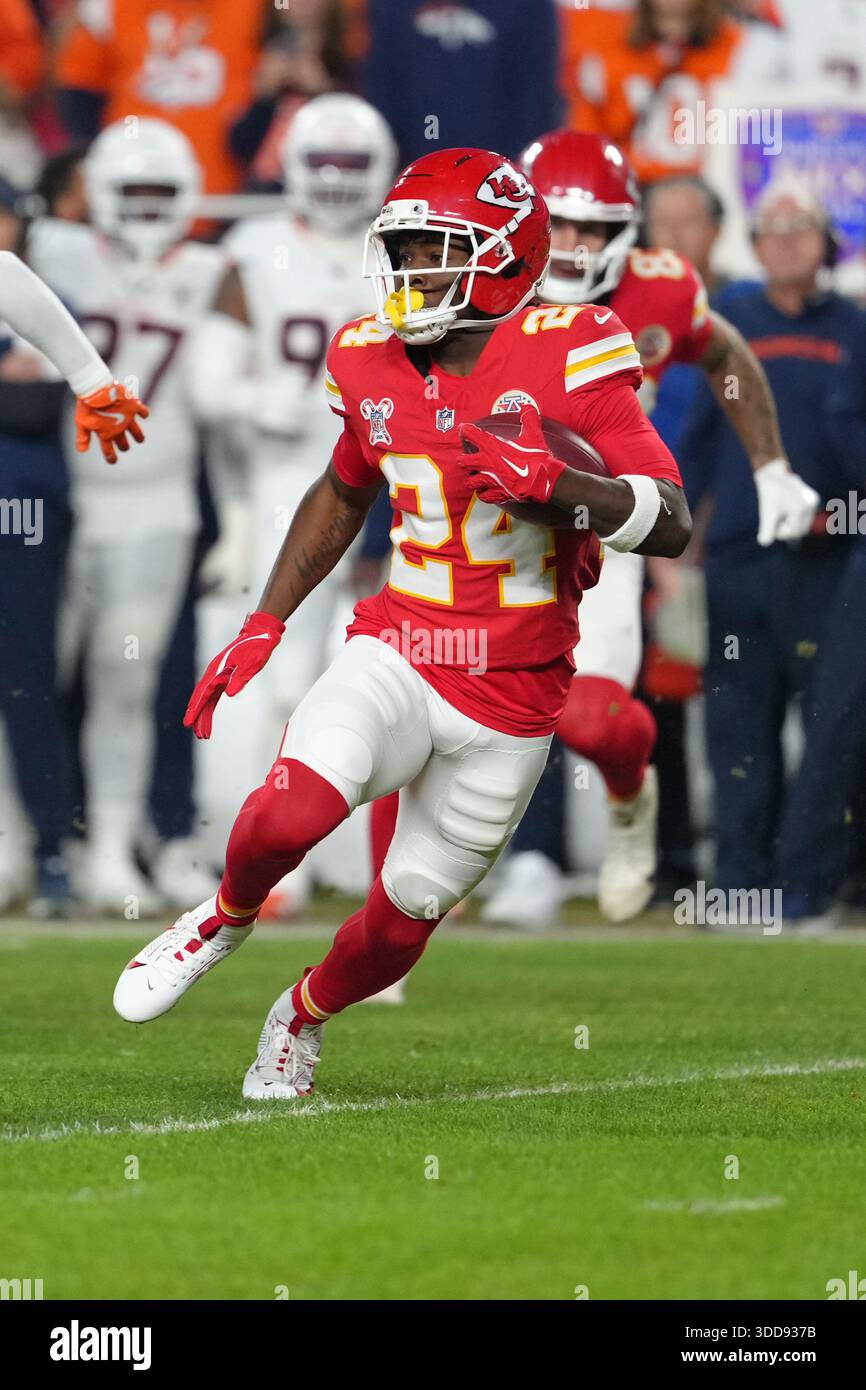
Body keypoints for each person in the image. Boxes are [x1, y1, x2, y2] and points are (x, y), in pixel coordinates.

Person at [113, 145, 692, 1102]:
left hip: (516, 695)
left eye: (432, 253)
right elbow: (343, 489)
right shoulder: (368, 356)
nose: (406, 275)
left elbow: (667, 518)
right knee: (288, 812)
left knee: (400, 921)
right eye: (403, 252)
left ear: (502, 259)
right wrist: (265, 622)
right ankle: (223, 916)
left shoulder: (572, 348)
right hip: (404, 648)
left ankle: (298, 1016)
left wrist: (566, 489)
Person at [453, 131, 817, 926]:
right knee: (423, 716)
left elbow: (723, 351)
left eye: (596, 228)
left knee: (584, 717)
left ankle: (629, 801)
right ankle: (398, 921)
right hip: (479, 531)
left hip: (598, 536)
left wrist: (769, 465)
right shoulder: (477, 282)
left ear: (628, 231)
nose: (577, 246)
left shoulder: (657, 290)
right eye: (562, 224)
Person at [188, 92, 396, 918]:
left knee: (390, 673)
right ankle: (273, 860)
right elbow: (207, 382)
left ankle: (374, 864)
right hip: (289, 484)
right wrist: (250, 402)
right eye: (326, 165)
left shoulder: (405, 247)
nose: (339, 183)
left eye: (353, 166)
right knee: (278, 674)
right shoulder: (254, 247)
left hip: (389, 480)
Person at [27, 117, 227, 914]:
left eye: (160, 192)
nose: (146, 207)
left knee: (126, 680)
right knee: (35, 681)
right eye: (131, 190)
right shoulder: (55, 251)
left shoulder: (218, 269)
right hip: (60, 497)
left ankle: (110, 844)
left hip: (157, 500)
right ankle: (37, 842)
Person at [678, 175, 866, 894]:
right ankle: (737, 886)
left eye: (802, 225)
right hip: (740, 558)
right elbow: (695, 434)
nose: (787, 239)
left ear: (827, 243)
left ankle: (812, 888)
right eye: (773, 227)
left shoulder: (854, 328)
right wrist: (675, 542)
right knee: (736, 731)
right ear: (753, 244)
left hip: (833, 561)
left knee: (832, 732)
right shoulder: (729, 317)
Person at [55, 0, 266, 196]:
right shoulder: (107, 6)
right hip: (128, 189)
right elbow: (79, 87)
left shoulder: (257, 8)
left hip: (227, 199)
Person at [559, 0, 761, 183]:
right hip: (632, 188)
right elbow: (589, 132)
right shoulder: (608, 48)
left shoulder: (740, 48)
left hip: (704, 190)